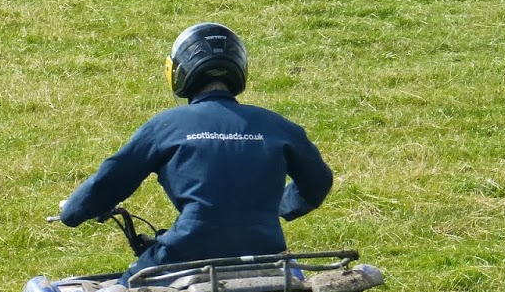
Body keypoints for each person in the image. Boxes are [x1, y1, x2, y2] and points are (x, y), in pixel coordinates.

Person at [58, 22, 333, 276]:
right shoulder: (278, 126)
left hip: (185, 252)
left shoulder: (165, 126)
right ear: (240, 67)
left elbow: (111, 180)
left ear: (177, 71)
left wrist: (72, 212)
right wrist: (281, 207)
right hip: (266, 254)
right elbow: (319, 182)